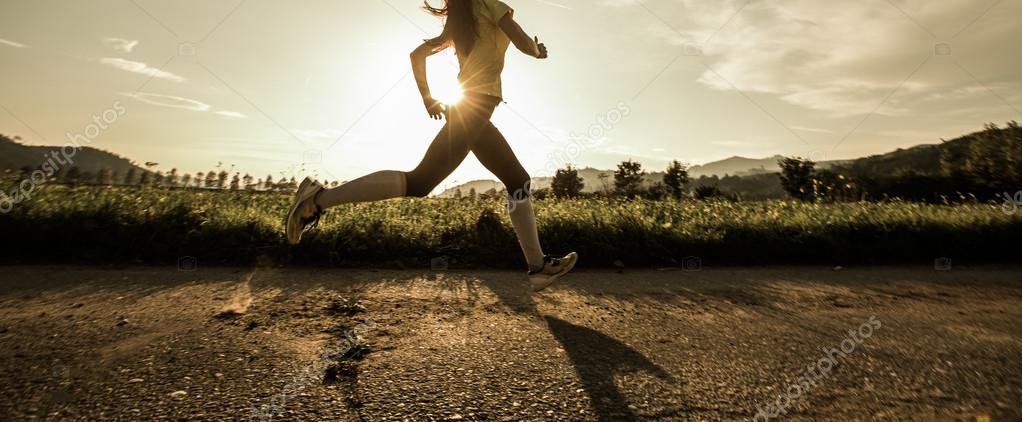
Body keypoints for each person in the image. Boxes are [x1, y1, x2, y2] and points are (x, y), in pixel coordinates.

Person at [285, 0, 576, 291]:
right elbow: (524, 43)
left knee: (517, 180)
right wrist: (539, 51)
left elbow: (417, 54)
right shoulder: (490, 4)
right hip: (474, 108)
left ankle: (538, 266)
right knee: (421, 181)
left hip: (471, 107)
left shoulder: (463, 14)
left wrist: (427, 97)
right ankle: (318, 199)